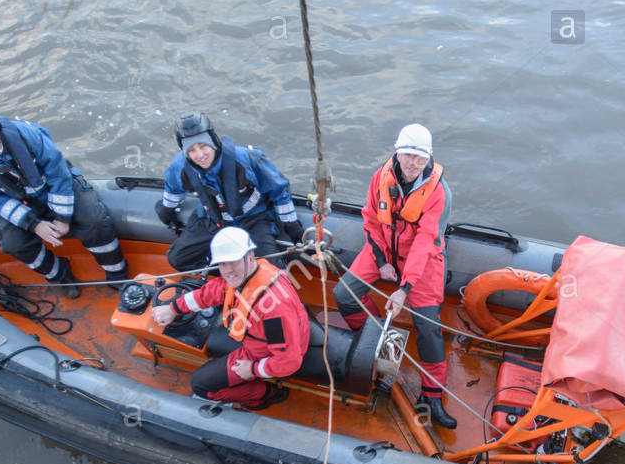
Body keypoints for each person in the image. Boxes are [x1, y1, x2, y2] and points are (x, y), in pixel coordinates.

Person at [332, 123, 456, 429]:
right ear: (397, 152)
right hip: (384, 252)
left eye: (420, 157)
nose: (413, 162)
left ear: (429, 158)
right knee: (343, 295)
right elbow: (371, 220)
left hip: (422, 262)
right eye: (408, 154)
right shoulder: (380, 178)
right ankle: (375, 334)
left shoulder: (439, 193)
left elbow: (426, 241)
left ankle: (432, 395)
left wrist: (405, 286)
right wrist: (379, 260)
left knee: (427, 326)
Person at [0, 98, 127, 298]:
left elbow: (57, 170)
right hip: (22, 202)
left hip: (56, 187)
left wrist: (62, 216)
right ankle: (61, 275)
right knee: (14, 244)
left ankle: (117, 273)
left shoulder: (26, 135)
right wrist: (32, 224)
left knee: (94, 220)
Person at [150, 227, 309, 410]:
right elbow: (212, 291)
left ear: (250, 256)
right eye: (223, 264)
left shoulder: (274, 310)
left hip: (261, 353)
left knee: (202, 386)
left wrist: (252, 369)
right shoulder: (247, 275)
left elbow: (288, 361)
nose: (228, 270)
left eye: (233, 262)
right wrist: (174, 308)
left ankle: (264, 394)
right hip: (254, 337)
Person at [156, 112, 304, 273]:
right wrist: (167, 209)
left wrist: (291, 223)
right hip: (213, 220)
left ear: (213, 141)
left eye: (203, 146)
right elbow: (173, 189)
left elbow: (279, 189)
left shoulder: (248, 158)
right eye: (191, 150)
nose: (200, 155)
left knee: (273, 271)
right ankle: (227, 276)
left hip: (253, 219)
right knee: (177, 259)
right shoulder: (180, 167)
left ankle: (250, 278)